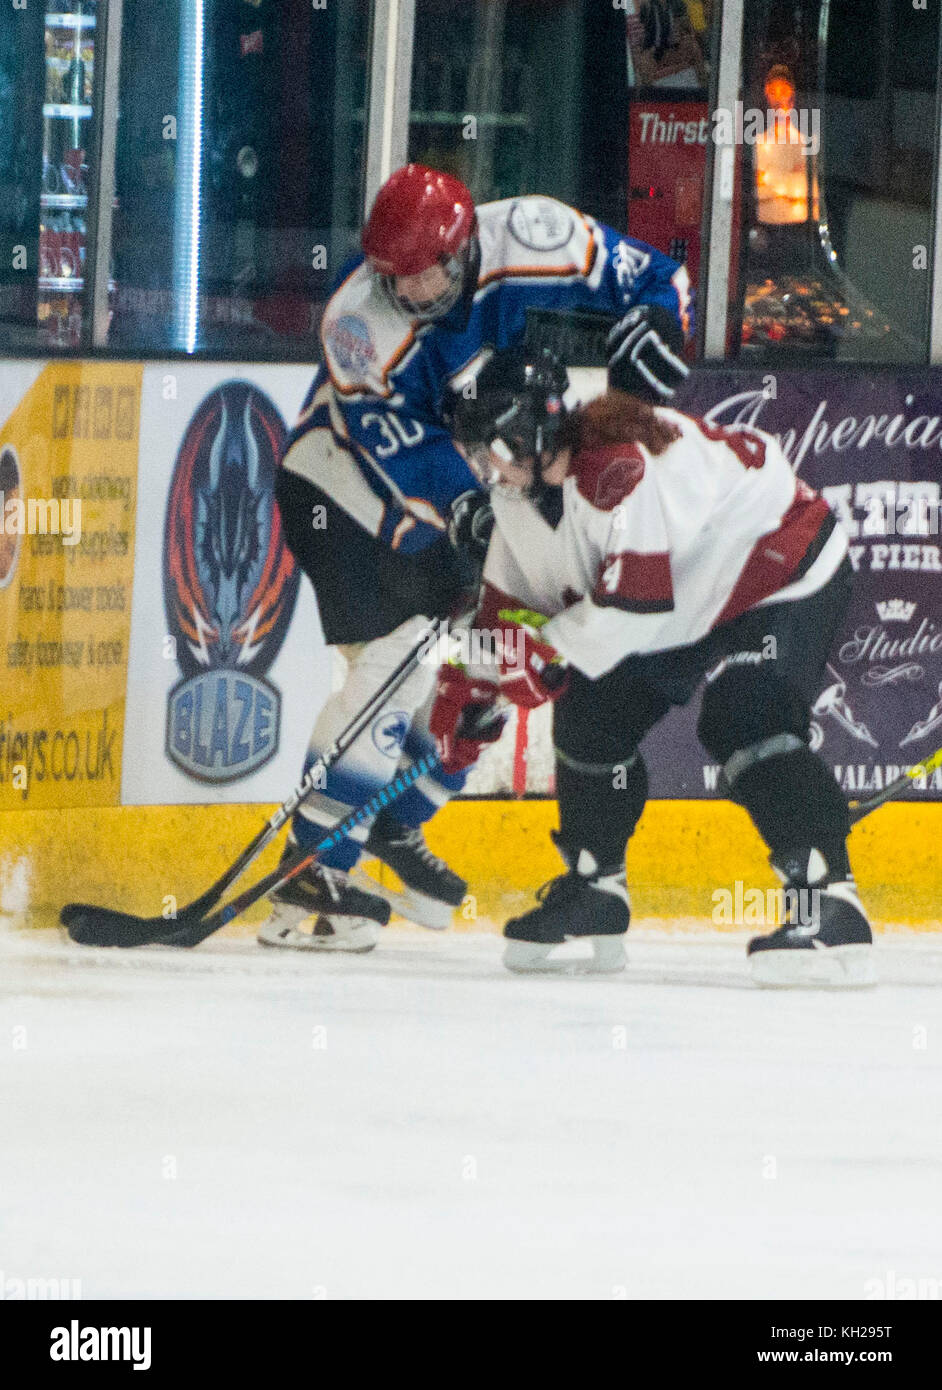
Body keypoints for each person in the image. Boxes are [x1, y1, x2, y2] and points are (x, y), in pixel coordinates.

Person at [261, 163, 692, 951]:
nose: (410, 296)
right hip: (341, 489)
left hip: (468, 496)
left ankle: (394, 820)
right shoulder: (358, 324)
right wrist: (468, 508)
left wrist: (660, 326)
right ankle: (313, 865)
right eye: (395, 280)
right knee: (395, 661)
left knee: (483, 668)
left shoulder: (531, 234)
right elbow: (391, 448)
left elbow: (659, 277)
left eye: (426, 279)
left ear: (464, 250)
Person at [428, 346, 874, 987]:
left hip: (779, 566)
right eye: (473, 452)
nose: (484, 467)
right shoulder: (519, 496)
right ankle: (596, 890)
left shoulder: (615, 467)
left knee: (744, 717)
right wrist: (473, 681)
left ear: (533, 428)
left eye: (491, 446)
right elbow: (506, 606)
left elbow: (633, 608)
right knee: (590, 720)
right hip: (687, 595)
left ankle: (829, 902)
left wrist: (543, 655)